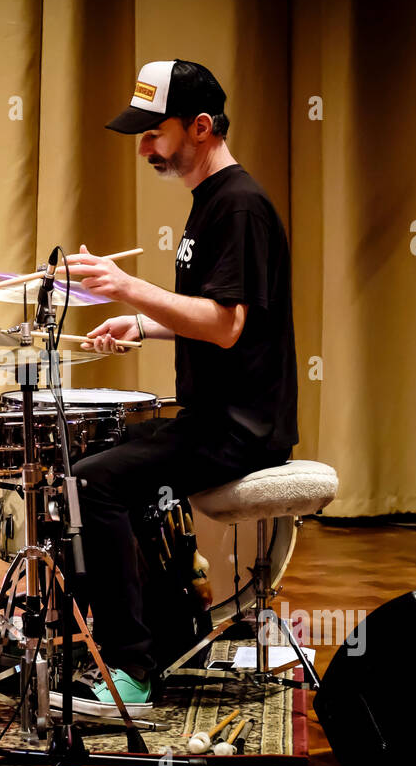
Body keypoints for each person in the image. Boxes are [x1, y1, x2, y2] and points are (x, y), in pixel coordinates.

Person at [59, 59, 298, 717]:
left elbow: (226, 327)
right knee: (98, 462)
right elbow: (208, 317)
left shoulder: (240, 205)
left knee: (91, 481)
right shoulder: (211, 203)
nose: (143, 149)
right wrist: (140, 323)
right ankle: (160, 643)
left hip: (241, 427)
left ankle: (129, 674)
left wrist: (129, 286)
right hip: (215, 418)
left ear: (199, 127)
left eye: (152, 134)